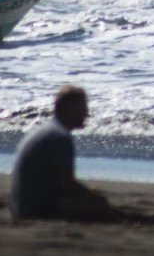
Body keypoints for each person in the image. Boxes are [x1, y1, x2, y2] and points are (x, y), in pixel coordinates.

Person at [10, 85, 116, 221]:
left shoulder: (44, 130)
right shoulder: (60, 138)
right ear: (69, 109)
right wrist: (93, 198)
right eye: (82, 108)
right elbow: (66, 184)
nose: (86, 114)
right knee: (98, 206)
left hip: (19, 206)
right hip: (35, 210)